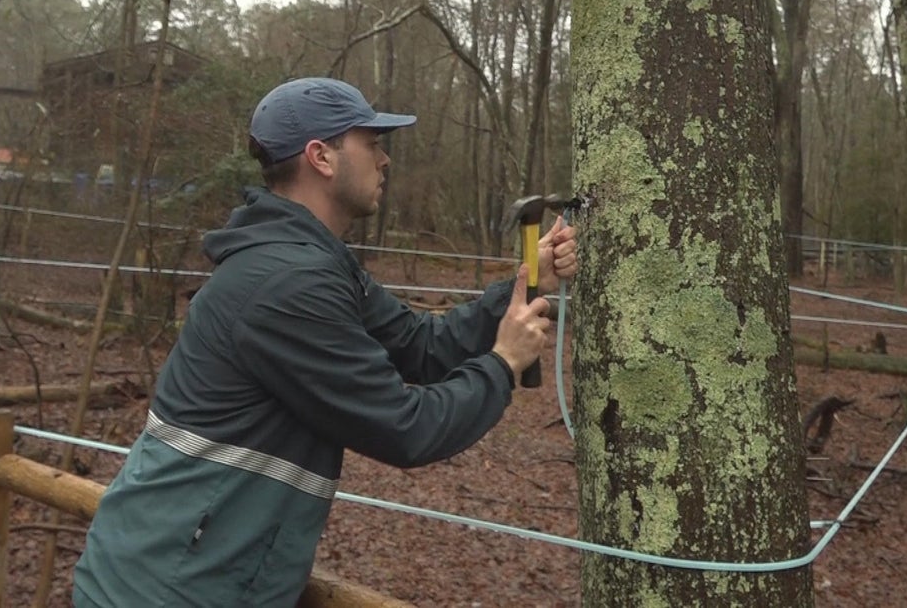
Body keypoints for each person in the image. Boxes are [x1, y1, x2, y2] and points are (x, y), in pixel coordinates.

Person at [72, 77, 578, 607]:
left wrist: (524, 281)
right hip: (166, 590)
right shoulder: (288, 282)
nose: (385, 161)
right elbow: (407, 428)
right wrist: (502, 364)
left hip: (200, 579)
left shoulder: (312, 261)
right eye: (372, 143)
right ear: (321, 157)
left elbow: (422, 345)